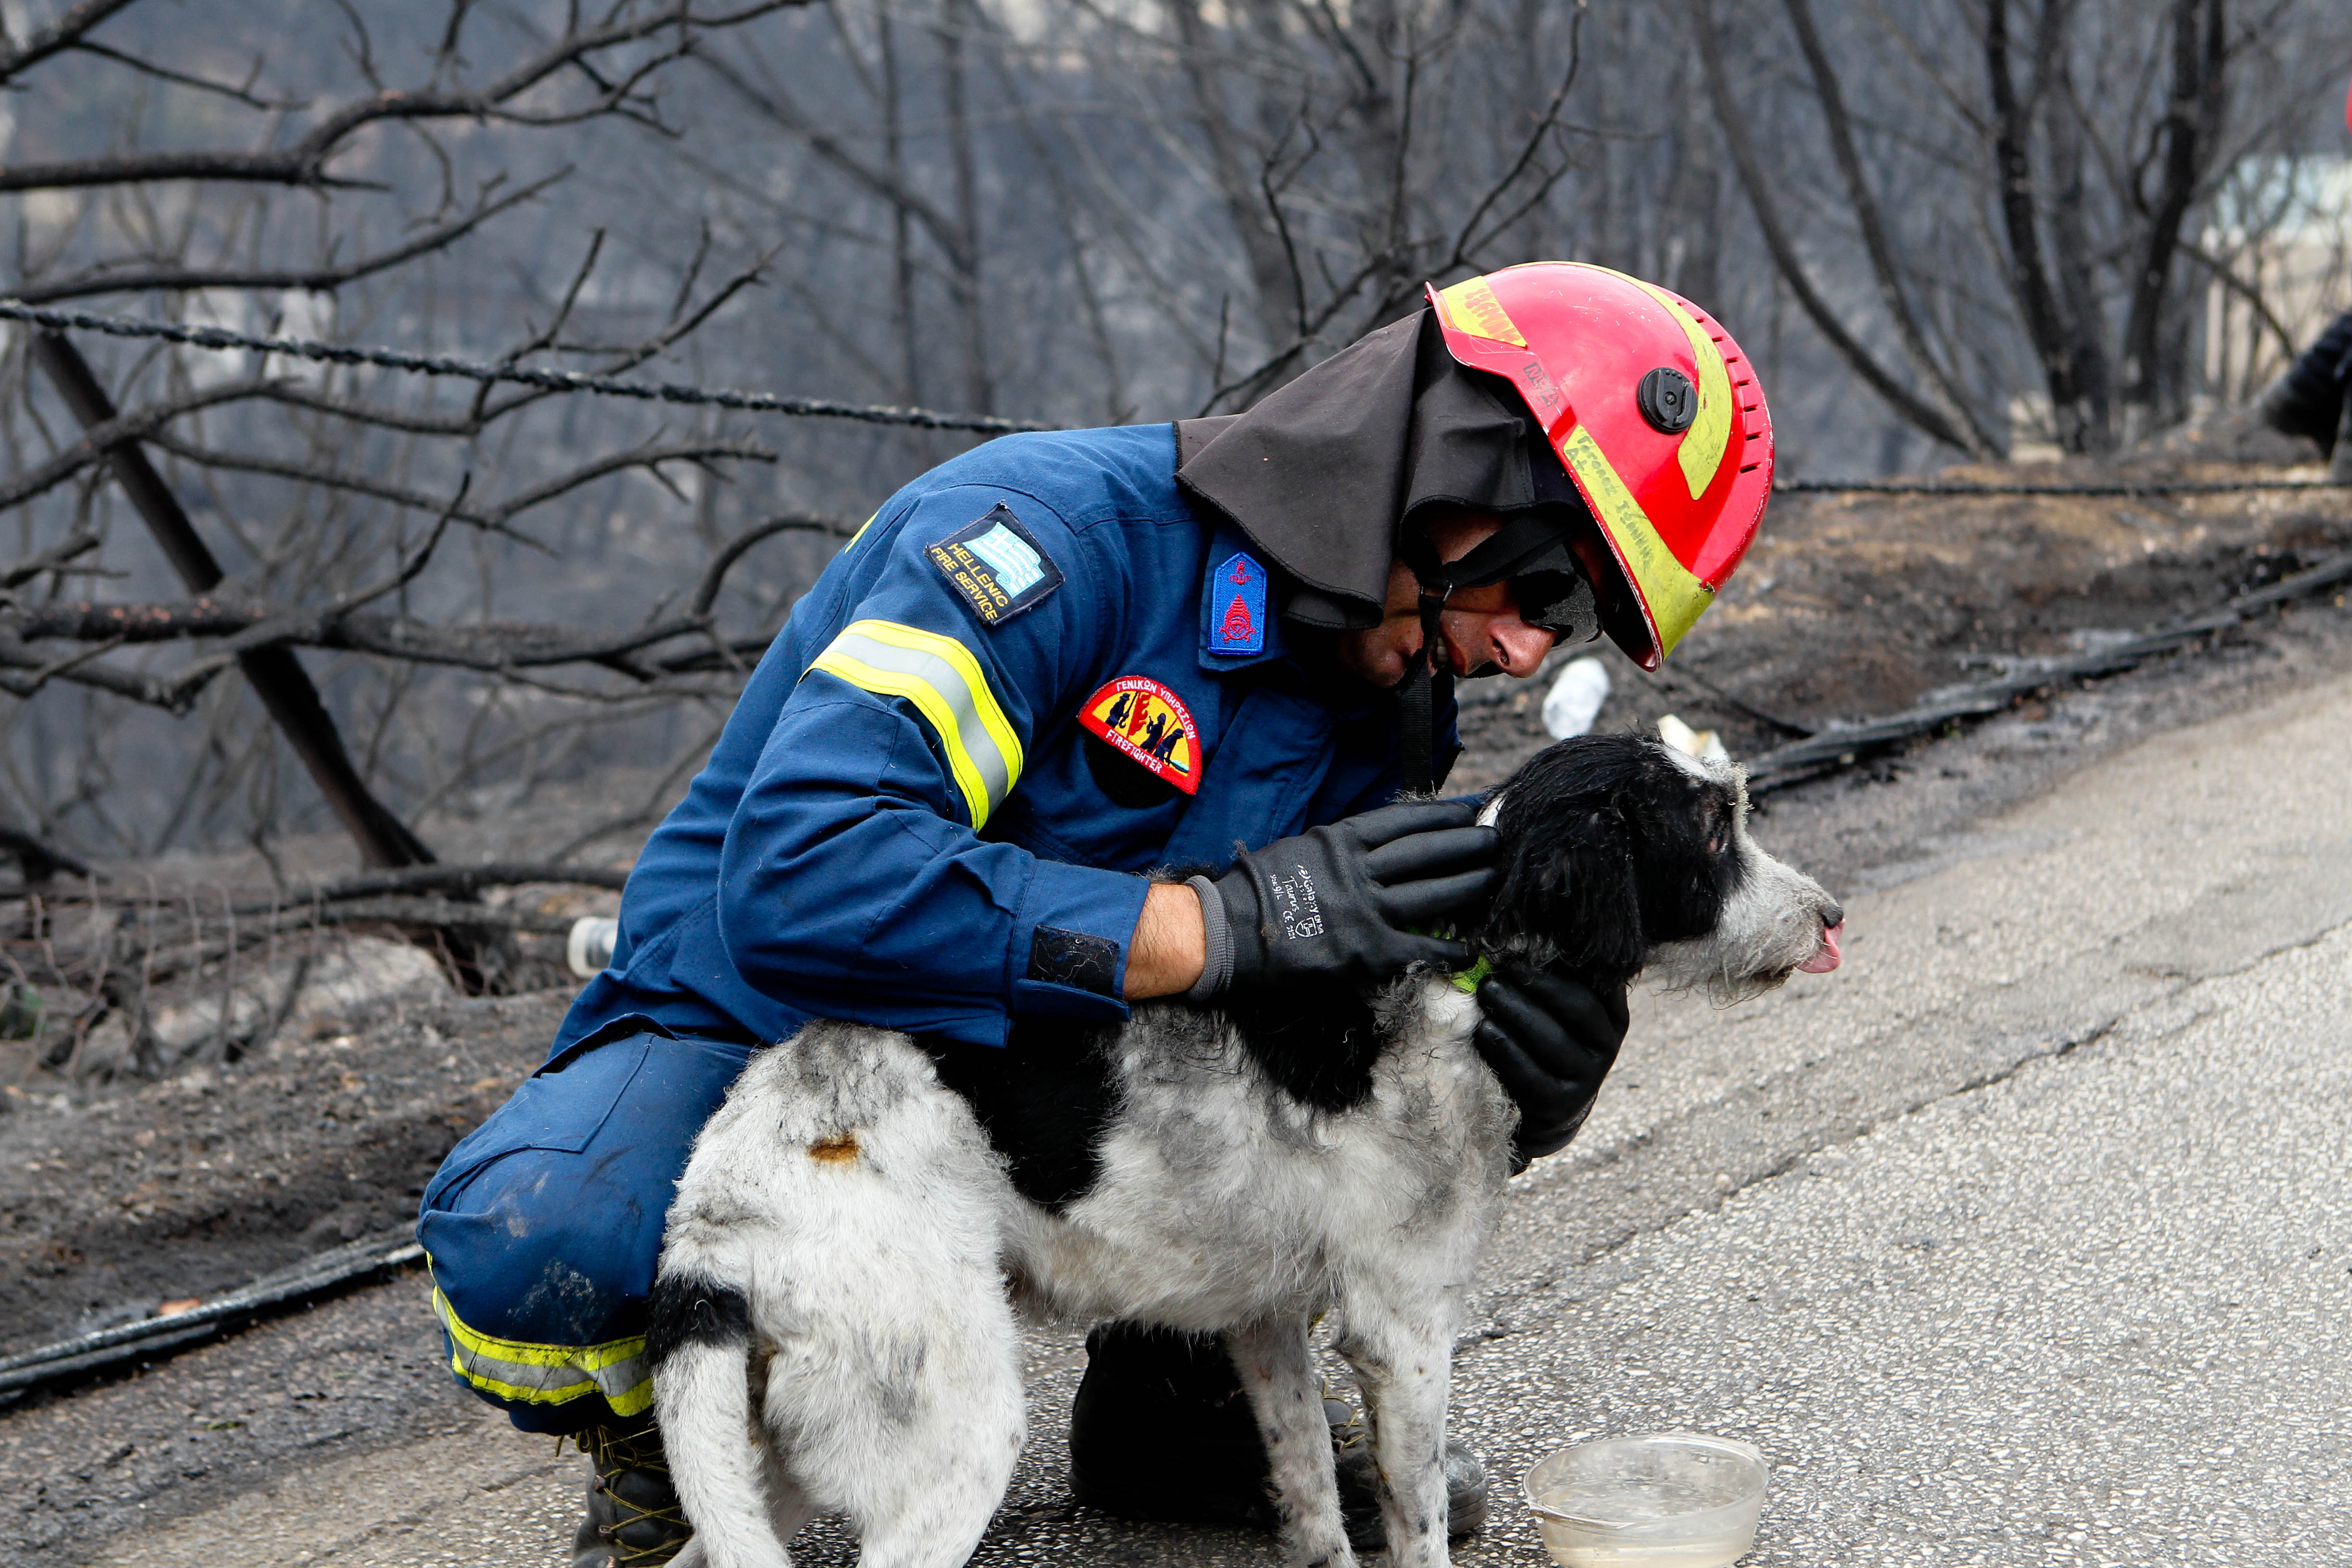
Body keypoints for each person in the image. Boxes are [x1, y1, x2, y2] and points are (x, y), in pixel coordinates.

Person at [416, 261, 1776, 1567]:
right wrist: (1210, 928)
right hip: (766, 1033)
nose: (1529, 649)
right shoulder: (1046, 541)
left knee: (1289, 1122)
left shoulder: (1379, 703)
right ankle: (684, 1424)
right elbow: (803, 877)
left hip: (1036, 1099)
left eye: (1577, 624)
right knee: (553, 1234)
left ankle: (1170, 1412)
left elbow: (1319, 1078)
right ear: (1449, 470)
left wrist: (1514, 1056)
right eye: (1542, 585)